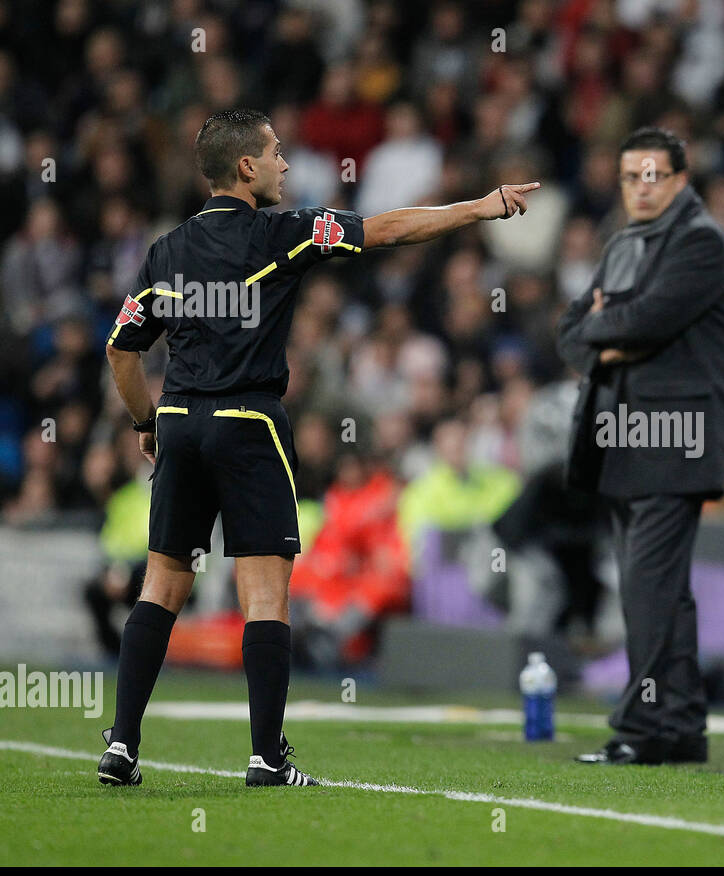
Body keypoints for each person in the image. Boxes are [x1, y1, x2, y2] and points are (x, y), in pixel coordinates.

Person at [98, 107, 539, 788]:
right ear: (245, 167)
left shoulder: (165, 252)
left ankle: (122, 745)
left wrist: (145, 423)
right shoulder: (286, 230)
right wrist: (478, 209)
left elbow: (120, 352)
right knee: (266, 595)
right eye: (274, 153)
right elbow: (387, 229)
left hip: (181, 421)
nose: (283, 163)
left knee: (161, 585)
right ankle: (266, 756)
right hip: (249, 421)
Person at [557, 127, 724, 765]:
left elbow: (646, 320)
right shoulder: (624, 245)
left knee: (648, 587)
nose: (641, 187)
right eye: (631, 175)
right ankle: (681, 725)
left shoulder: (701, 243)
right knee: (660, 589)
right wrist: (609, 335)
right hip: (622, 440)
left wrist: (610, 326)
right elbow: (570, 333)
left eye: (654, 175)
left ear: (681, 180)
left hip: (676, 440)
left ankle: (645, 728)